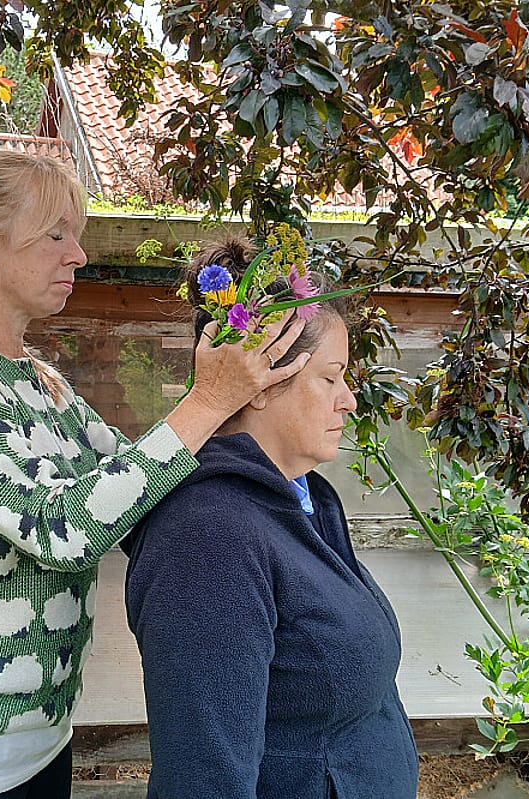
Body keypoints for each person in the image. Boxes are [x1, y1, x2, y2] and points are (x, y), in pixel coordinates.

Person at [0, 152, 309, 799]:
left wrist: (264, 463)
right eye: (57, 234)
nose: (79, 254)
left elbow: (134, 492)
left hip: (40, 738)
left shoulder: (42, 384)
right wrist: (206, 400)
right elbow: (57, 526)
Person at [121, 238, 419, 799]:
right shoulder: (209, 540)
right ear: (259, 387)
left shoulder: (301, 500)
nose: (349, 400)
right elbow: (203, 777)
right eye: (330, 377)